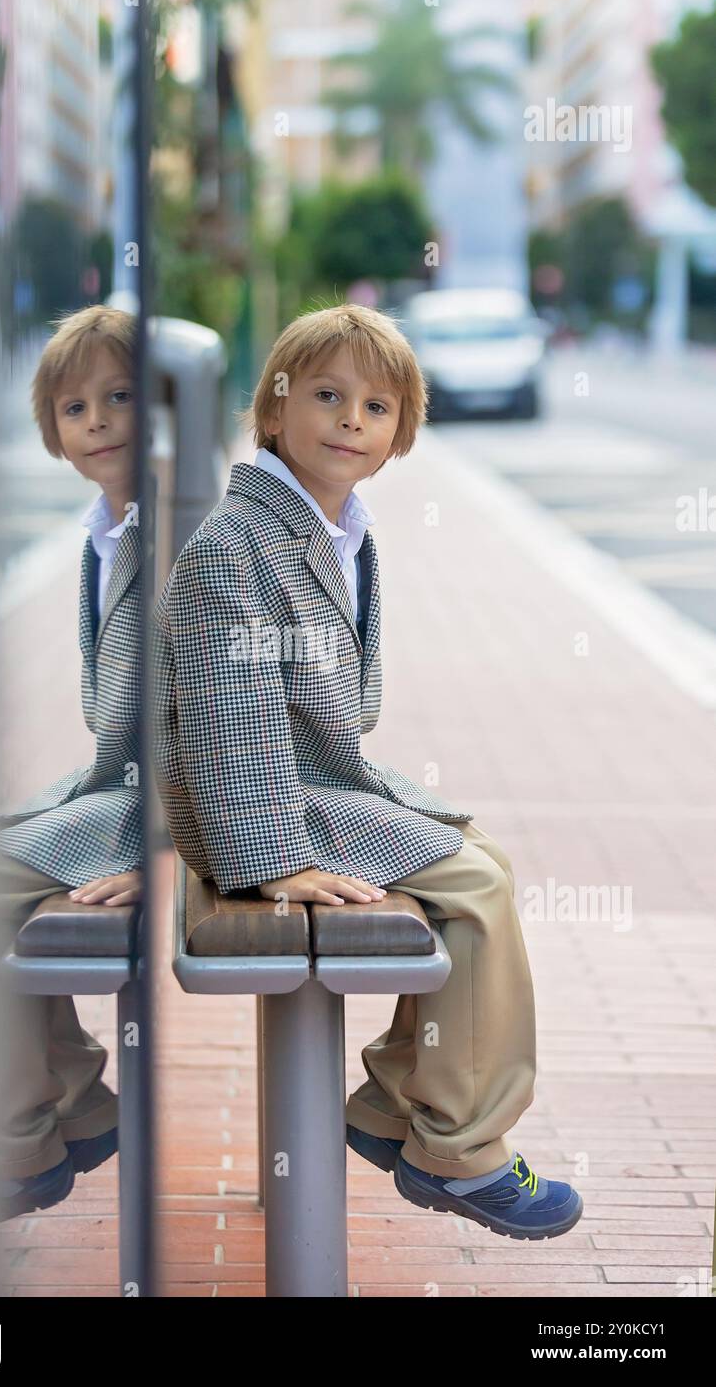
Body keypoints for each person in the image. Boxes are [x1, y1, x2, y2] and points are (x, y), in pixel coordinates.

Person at [152, 302, 582, 1239]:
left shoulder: (335, 527)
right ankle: (459, 1151)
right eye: (327, 396)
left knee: (486, 864)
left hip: (311, 781)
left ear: (401, 433)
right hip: (262, 804)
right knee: (472, 889)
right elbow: (234, 723)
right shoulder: (239, 545)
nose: (353, 419)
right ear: (272, 412)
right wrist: (269, 858)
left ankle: (393, 1100)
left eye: (378, 406)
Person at [0, 305, 142, 1224]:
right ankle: (75, 1099)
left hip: (157, 802)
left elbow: (207, 717)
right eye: (75, 407)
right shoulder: (107, 528)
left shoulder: (177, 529)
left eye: (119, 396)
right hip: (117, 787)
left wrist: (146, 848)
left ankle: (24, 1138)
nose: (98, 421)